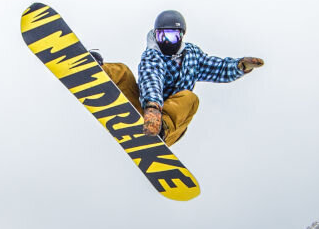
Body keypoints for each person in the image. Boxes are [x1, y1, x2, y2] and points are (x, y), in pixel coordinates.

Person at [95, 10, 263, 147]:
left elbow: (217, 68)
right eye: (162, 37)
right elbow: (151, 78)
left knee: (189, 98)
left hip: (169, 128)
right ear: (155, 36)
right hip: (143, 112)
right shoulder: (153, 55)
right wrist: (152, 108)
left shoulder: (192, 57)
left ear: (181, 36)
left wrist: (240, 66)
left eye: (172, 37)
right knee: (122, 71)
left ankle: (160, 131)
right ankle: (93, 71)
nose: (166, 42)